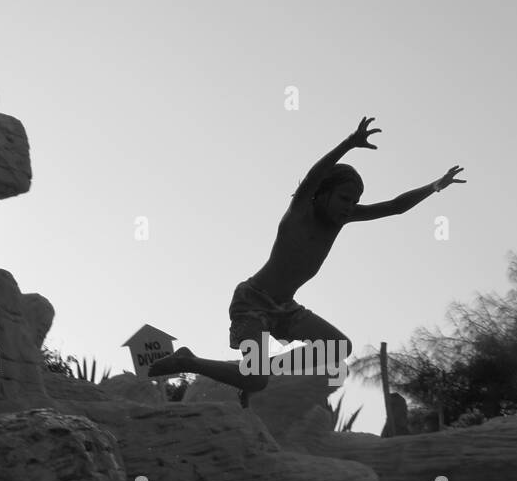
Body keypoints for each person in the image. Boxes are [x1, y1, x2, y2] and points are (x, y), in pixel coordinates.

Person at [149, 116, 465, 404]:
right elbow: (313, 176)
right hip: (253, 302)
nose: (349, 206)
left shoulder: (342, 219)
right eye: (344, 199)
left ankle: (255, 369)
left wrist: (436, 186)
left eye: (354, 201)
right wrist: (348, 144)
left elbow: (396, 206)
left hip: (286, 308)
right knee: (256, 382)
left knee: (340, 347)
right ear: (322, 194)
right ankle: (188, 360)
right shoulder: (301, 210)